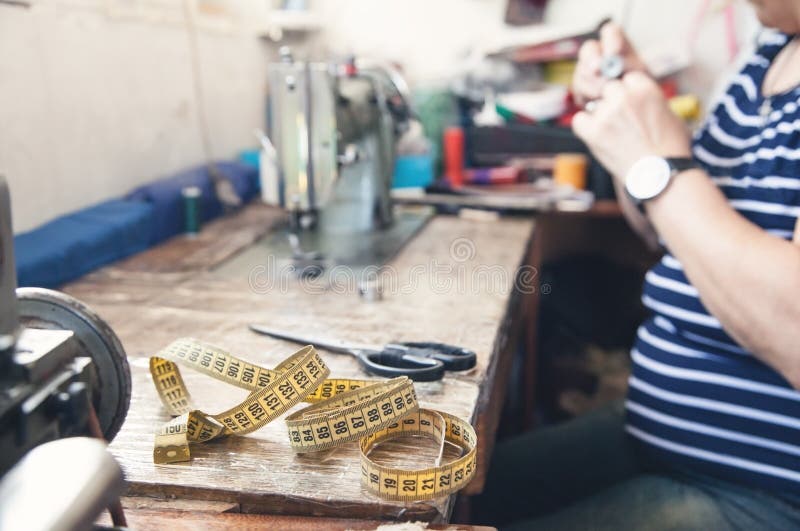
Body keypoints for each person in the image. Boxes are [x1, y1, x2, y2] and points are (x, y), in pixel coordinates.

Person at [474, 1, 800, 529]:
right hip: (660, 430)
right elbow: (668, 227)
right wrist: (637, 120)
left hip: (764, 486)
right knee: (451, 494)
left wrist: (659, 167)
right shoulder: (768, 53)